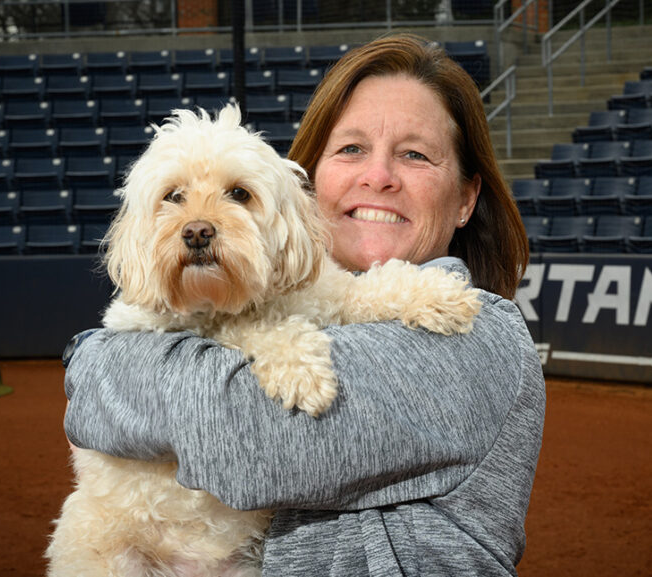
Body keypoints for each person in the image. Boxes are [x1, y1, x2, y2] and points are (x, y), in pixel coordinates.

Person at [63, 33, 546, 576]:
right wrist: (92, 369)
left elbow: (241, 436)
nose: (377, 176)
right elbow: (93, 384)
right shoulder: (320, 296)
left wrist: (95, 366)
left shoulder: (479, 336)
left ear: (465, 198)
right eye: (351, 149)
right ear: (313, 183)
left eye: (415, 154)